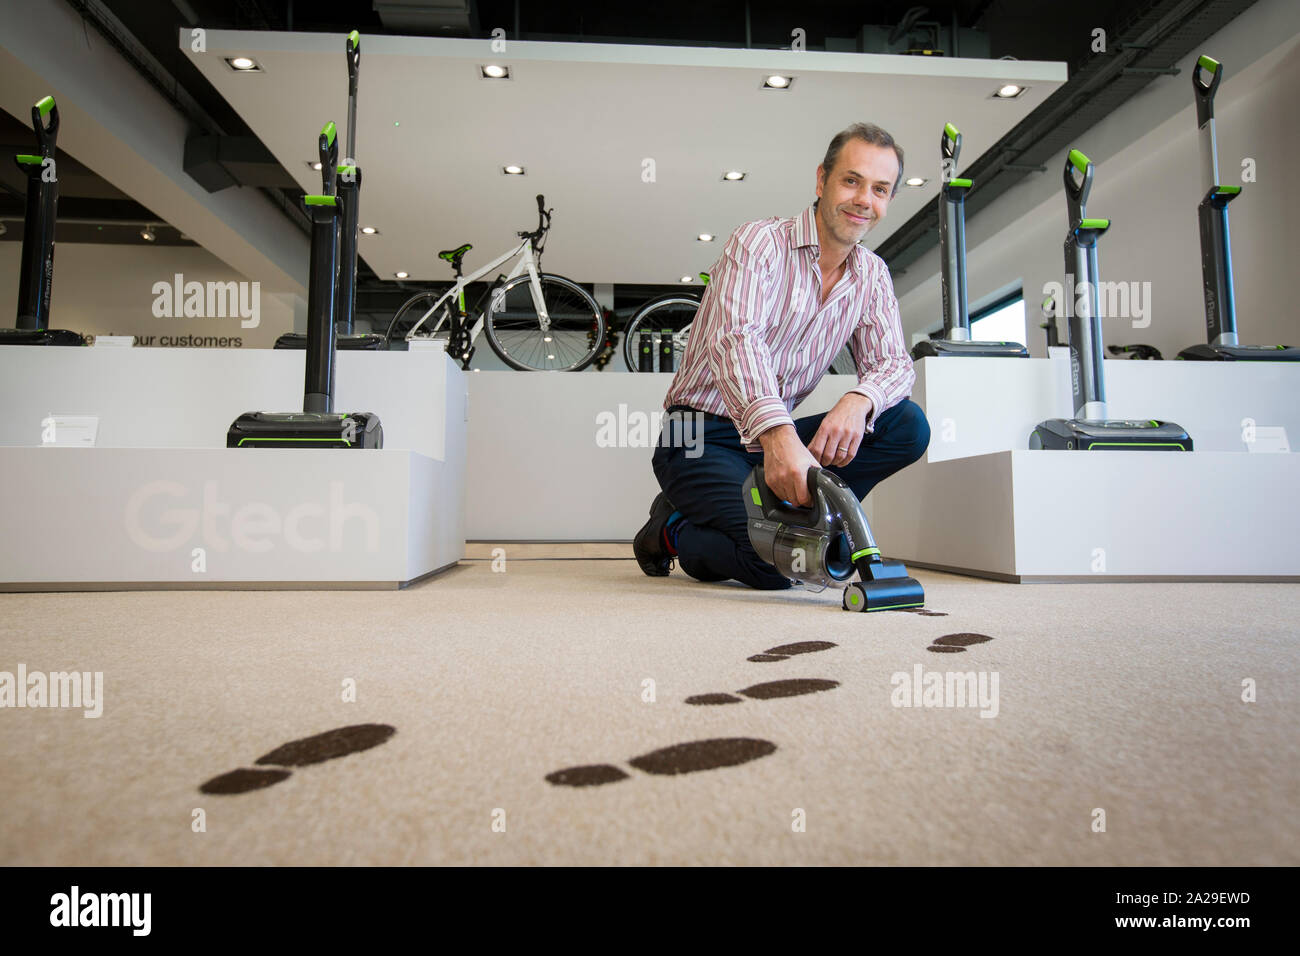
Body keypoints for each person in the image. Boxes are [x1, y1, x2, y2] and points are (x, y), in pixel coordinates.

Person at [634, 122, 931, 590]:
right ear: (821, 181)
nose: (863, 200)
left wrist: (859, 400)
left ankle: (816, 521)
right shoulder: (758, 244)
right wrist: (776, 435)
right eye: (851, 181)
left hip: (783, 437)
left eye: (880, 189)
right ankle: (671, 530)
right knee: (779, 567)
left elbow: (894, 364)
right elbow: (737, 339)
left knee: (907, 425)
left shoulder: (872, 275)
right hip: (698, 434)